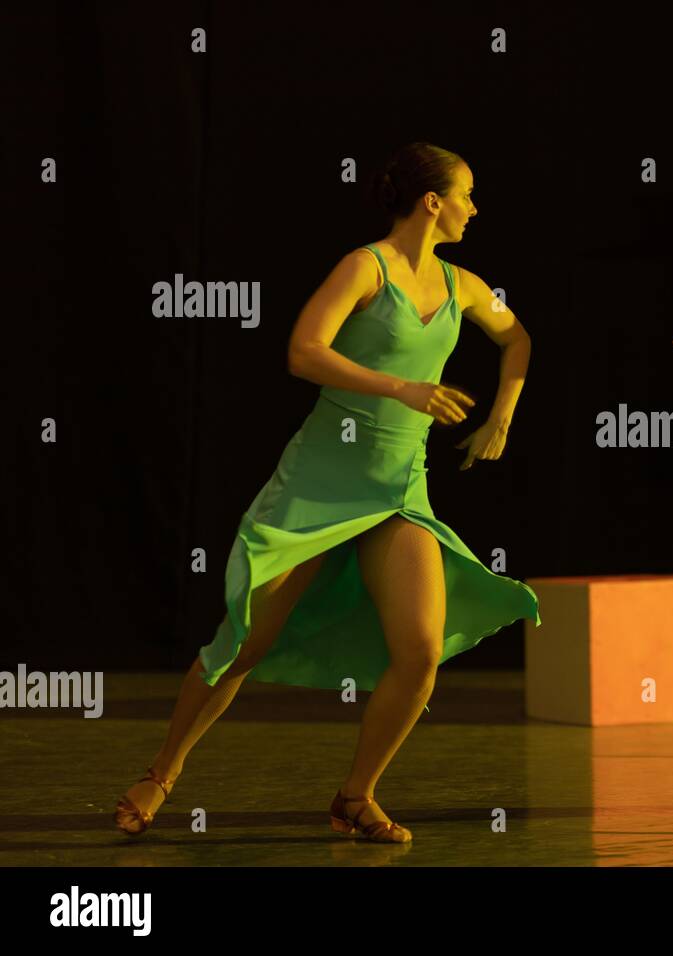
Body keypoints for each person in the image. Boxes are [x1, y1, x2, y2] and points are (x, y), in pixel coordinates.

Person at [114, 142, 540, 843]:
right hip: (322, 483)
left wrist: (501, 418)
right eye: (467, 193)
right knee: (246, 644)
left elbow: (518, 338)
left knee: (420, 651)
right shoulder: (364, 267)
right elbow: (304, 351)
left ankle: (354, 796)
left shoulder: (465, 285)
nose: (474, 207)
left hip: (400, 491)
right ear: (432, 202)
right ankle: (162, 772)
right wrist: (402, 387)